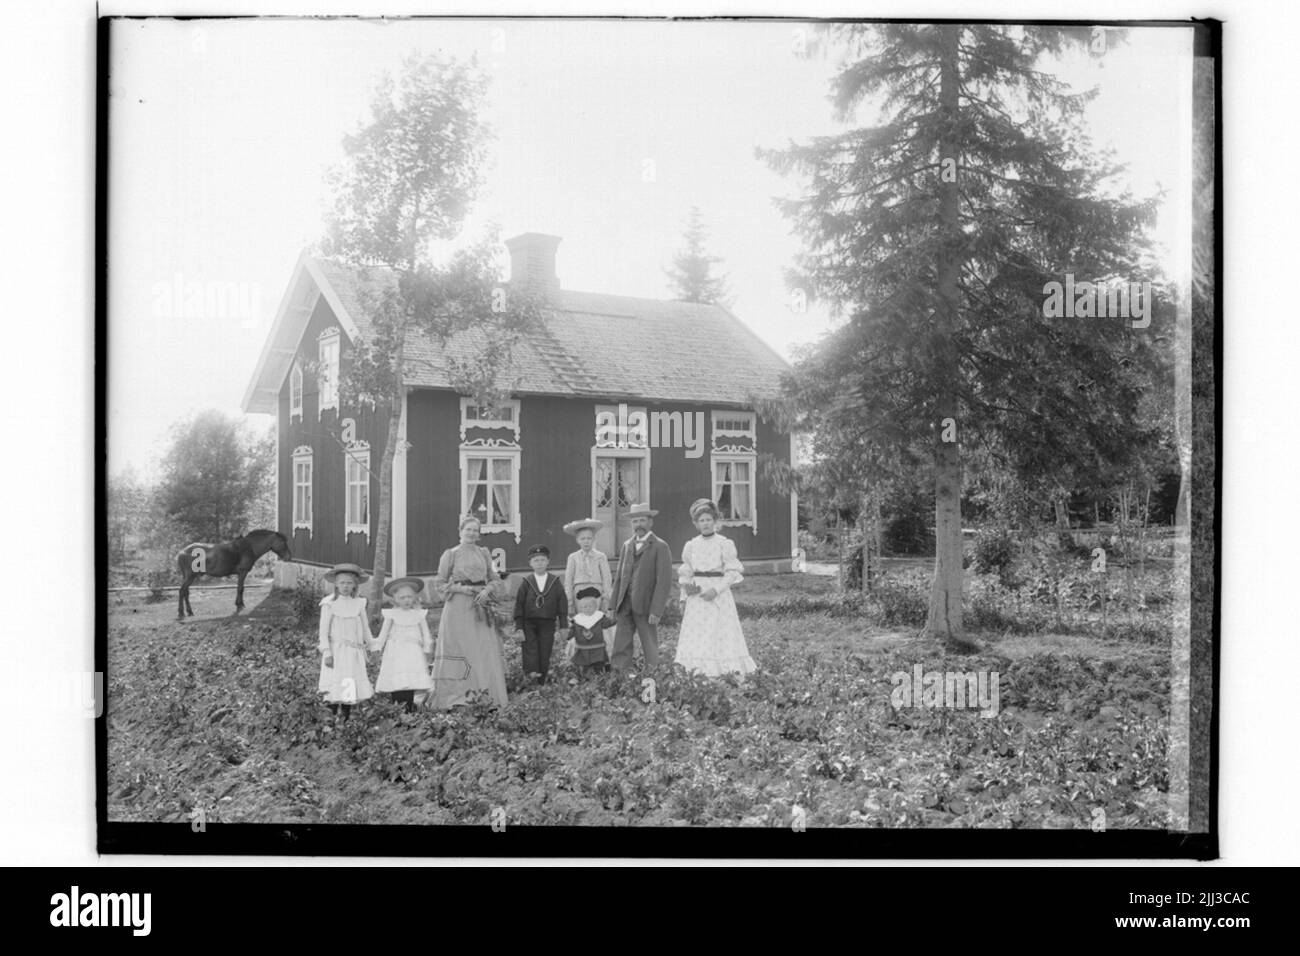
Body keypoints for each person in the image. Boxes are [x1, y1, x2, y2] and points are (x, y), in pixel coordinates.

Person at [428, 516, 509, 709]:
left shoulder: (484, 554)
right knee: (459, 647)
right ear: (460, 531)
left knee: (481, 649)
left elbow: (495, 579)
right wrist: (461, 590)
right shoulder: (451, 554)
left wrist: (486, 591)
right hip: (458, 606)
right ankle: (455, 697)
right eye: (468, 530)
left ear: (479, 534)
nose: (472, 533)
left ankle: (485, 693)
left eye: (475, 530)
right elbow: (439, 582)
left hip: (480, 605)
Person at [674, 498, 756, 678]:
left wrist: (716, 590)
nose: (705, 524)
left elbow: (732, 572)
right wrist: (684, 596)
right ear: (696, 524)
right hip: (697, 597)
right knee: (698, 633)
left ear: (715, 521)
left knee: (718, 632)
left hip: (718, 595)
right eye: (701, 520)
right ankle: (697, 671)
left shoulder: (724, 543)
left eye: (709, 520)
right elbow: (686, 573)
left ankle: (724, 672)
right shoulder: (691, 545)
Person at [610, 503, 673, 673]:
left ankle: (653, 679)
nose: (638, 524)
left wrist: (656, 610)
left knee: (649, 644)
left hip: (645, 606)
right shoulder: (626, 545)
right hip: (624, 604)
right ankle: (620, 678)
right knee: (621, 644)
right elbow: (619, 578)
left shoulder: (660, 546)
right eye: (635, 521)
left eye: (642, 520)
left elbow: (663, 582)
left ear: (650, 522)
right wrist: (613, 604)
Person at [318, 563, 375, 720]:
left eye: (349, 583)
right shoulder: (329, 603)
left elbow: (365, 629)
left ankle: (345, 719)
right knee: (334, 684)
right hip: (336, 650)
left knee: (348, 683)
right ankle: (331, 718)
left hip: (352, 652)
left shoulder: (359, 603)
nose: (345, 586)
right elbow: (323, 632)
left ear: (355, 585)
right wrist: (327, 652)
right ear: (336, 584)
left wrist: (372, 646)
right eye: (342, 582)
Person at [370, 577, 434, 712]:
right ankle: (398, 709)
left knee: (410, 680)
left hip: (413, 652)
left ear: (415, 598)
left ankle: (409, 709)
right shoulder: (391, 615)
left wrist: (427, 648)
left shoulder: (418, 615)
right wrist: (376, 648)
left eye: (410, 597)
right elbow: (383, 635)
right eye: (403, 597)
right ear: (396, 599)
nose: (407, 600)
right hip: (396, 652)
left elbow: (426, 634)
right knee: (397, 679)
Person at [514, 544, 568, 685]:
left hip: (547, 623)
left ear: (548, 561)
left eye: (542, 560)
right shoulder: (526, 582)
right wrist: (519, 627)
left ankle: (541, 682)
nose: (539, 563)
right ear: (530, 563)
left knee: (545, 651)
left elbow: (562, 604)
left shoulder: (555, 582)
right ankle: (531, 682)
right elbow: (519, 605)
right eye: (536, 560)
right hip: (528, 623)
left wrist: (563, 625)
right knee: (530, 652)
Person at [562, 517, 613, 658]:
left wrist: (605, 598)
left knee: (597, 623)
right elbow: (568, 580)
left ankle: (603, 655)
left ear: (593, 540)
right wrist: (570, 602)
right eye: (583, 539)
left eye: (589, 538)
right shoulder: (573, 557)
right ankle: (578, 656)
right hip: (579, 594)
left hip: (596, 593)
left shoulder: (600, 557)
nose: (586, 542)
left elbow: (607, 579)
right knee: (581, 623)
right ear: (577, 540)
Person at [569, 586, 616, 677]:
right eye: (584, 607)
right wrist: (566, 633)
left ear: (595, 607)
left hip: (597, 649)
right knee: (584, 666)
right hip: (582, 649)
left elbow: (608, 623)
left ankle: (600, 678)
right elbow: (571, 632)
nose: (587, 609)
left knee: (599, 665)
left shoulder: (599, 617)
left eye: (590, 606)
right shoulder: (577, 620)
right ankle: (584, 678)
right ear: (580, 608)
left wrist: (615, 617)